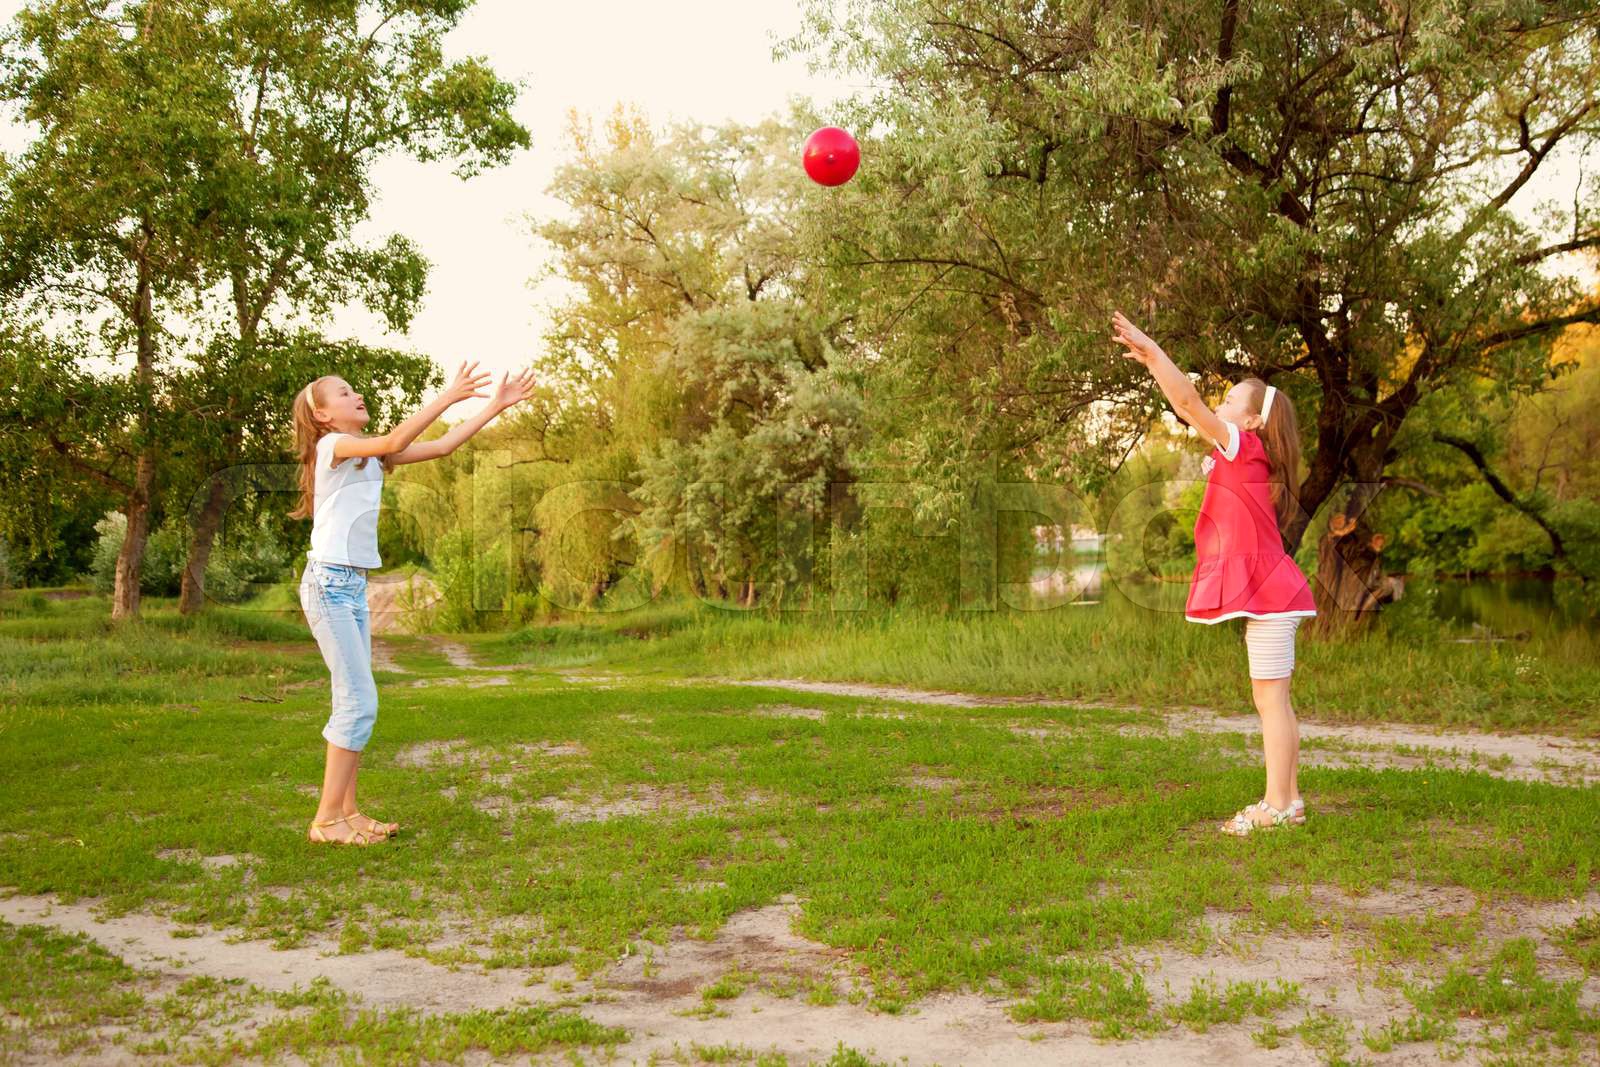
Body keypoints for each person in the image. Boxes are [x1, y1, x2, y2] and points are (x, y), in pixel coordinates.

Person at [289, 361, 536, 845]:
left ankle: (348, 812)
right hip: (329, 585)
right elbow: (394, 441)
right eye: (343, 393)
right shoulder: (332, 447)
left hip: (351, 585)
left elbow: (442, 446)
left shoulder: (367, 457)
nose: (356, 395)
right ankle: (325, 821)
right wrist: (448, 396)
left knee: (353, 701)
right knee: (358, 702)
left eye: (354, 389)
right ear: (322, 415)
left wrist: (494, 405)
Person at [1112, 312, 1318, 835]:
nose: (1220, 407)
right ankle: (1290, 802)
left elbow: (1185, 403)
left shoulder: (1242, 445)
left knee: (1270, 701)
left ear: (1250, 422)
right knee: (1277, 700)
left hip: (1271, 595)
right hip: (1279, 591)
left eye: (1230, 403)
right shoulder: (1248, 454)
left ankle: (1274, 807)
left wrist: (1154, 354)